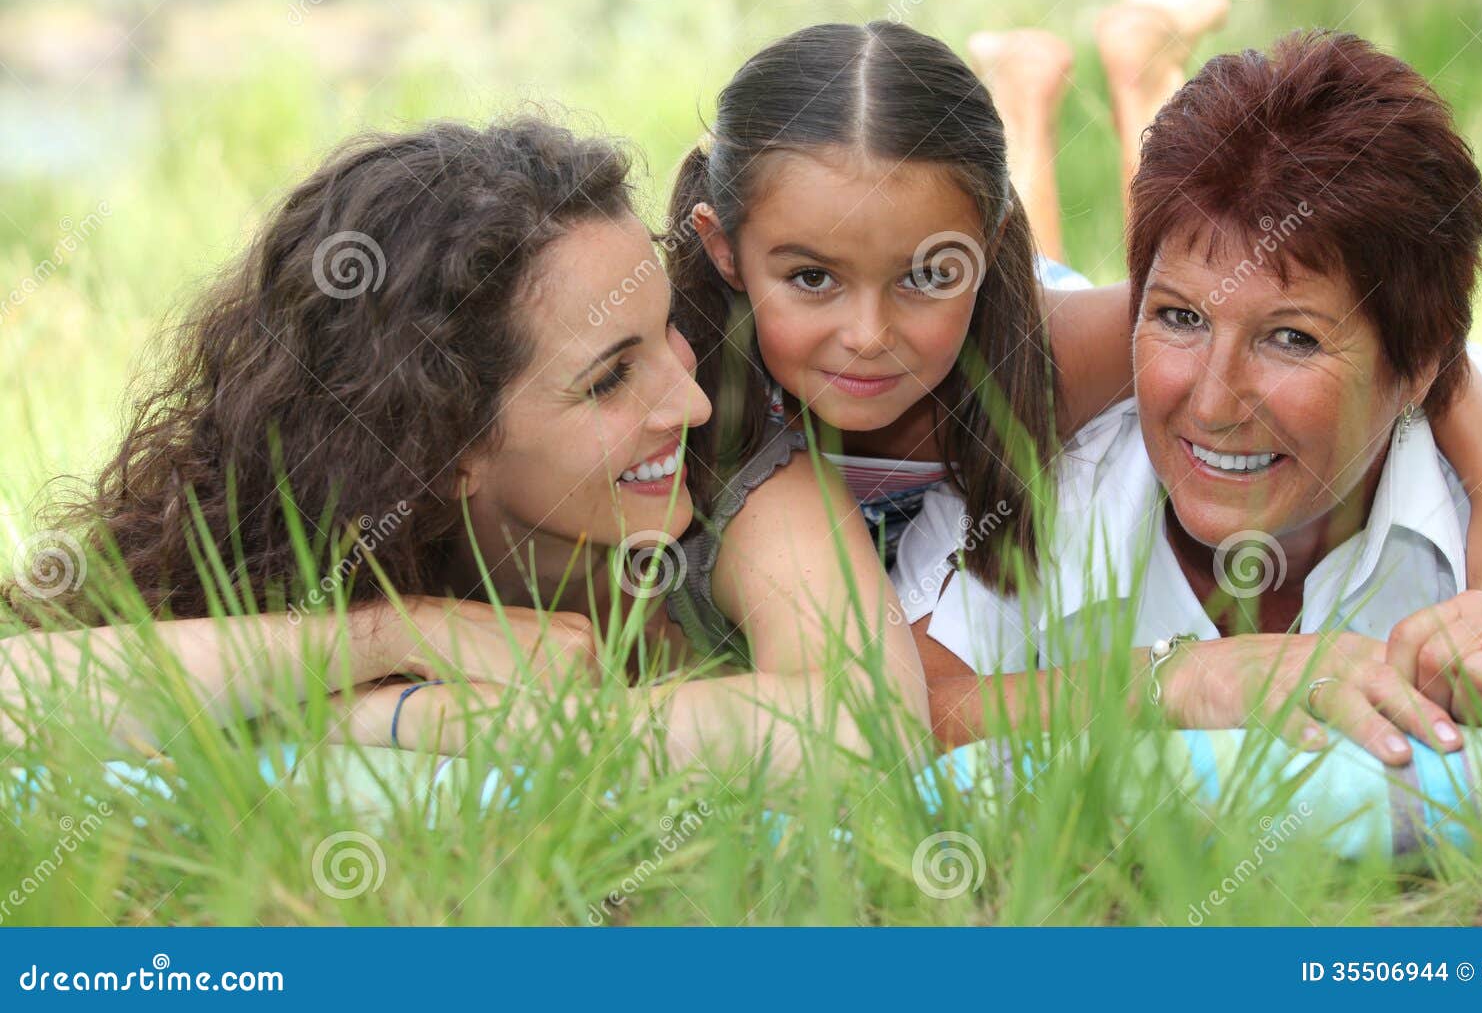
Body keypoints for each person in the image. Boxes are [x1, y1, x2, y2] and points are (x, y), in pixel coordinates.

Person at [1, 116, 930, 773]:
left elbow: (865, 722)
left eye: (668, 330)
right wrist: (387, 633)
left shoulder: (742, 474)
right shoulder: (347, 538)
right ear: (445, 446)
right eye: (609, 378)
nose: (684, 399)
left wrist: (430, 714)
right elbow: (22, 696)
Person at [894, 30, 1482, 764]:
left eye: (1290, 338)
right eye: (1180, 317)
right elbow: (896, 712)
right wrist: (1178, 678)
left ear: (1423, 363)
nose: (1211, 404)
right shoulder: (1034, 470)